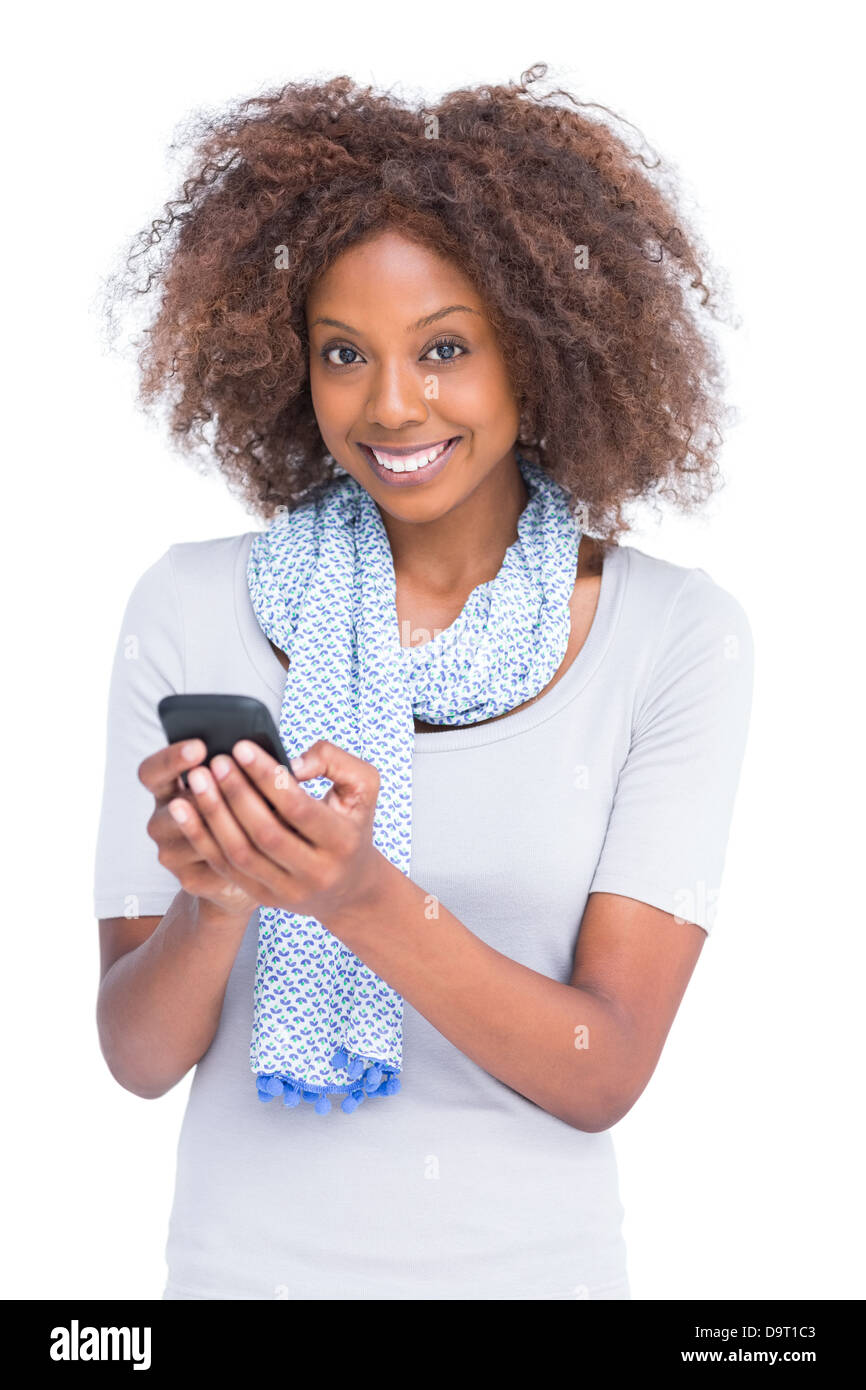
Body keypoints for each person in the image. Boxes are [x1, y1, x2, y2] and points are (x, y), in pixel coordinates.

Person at [93, 64, 754, 1300]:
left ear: (539, 357)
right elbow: (135, 1054)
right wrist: (223, 899)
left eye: (443, 348)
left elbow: (601, 1067)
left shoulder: (670, 637)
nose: (390, 406)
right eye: (344, 353)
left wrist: (356, 894)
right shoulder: (188, 605)